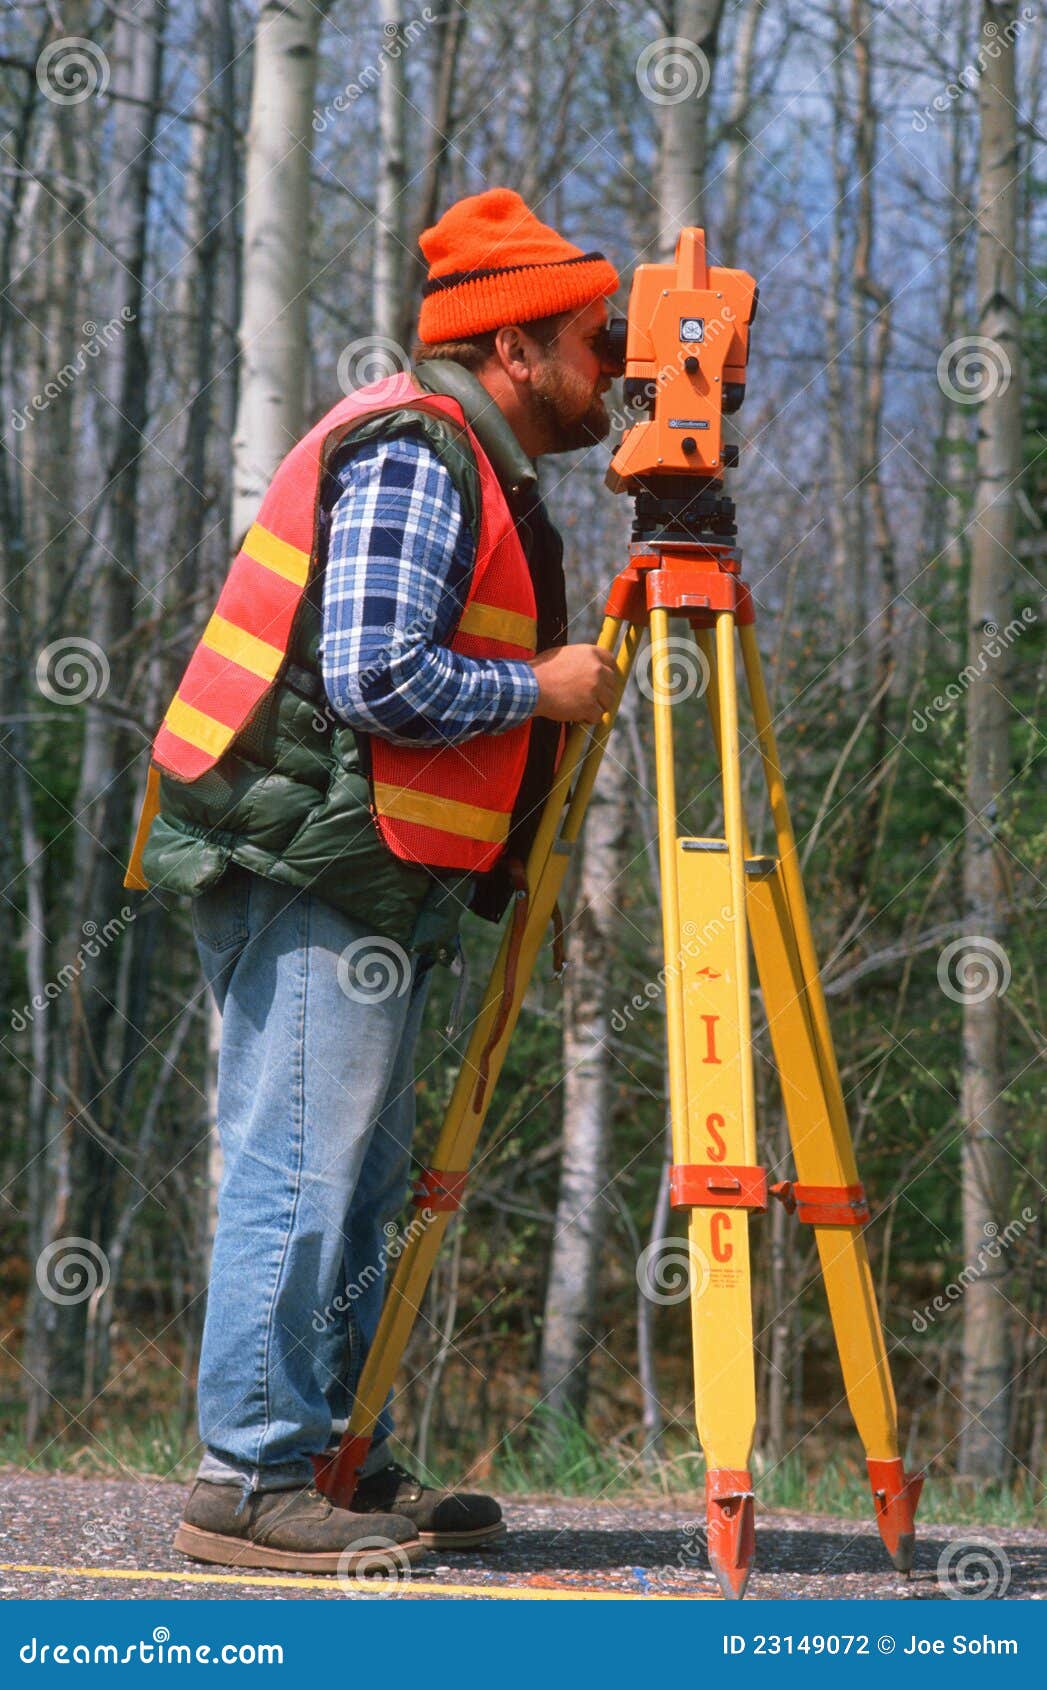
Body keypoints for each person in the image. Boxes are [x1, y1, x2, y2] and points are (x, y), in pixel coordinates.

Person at [130, 188, 622, 1573]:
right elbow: (374, 674)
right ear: (513, 349)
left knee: (359, 1179)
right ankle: (250, 1480)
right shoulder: (423, 448)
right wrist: (543, 690)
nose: (617, 372)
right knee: (302, 1168)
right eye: (595, 341)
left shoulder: (468, 452)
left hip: (361, 866)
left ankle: (336, 1457)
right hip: (307, 859)